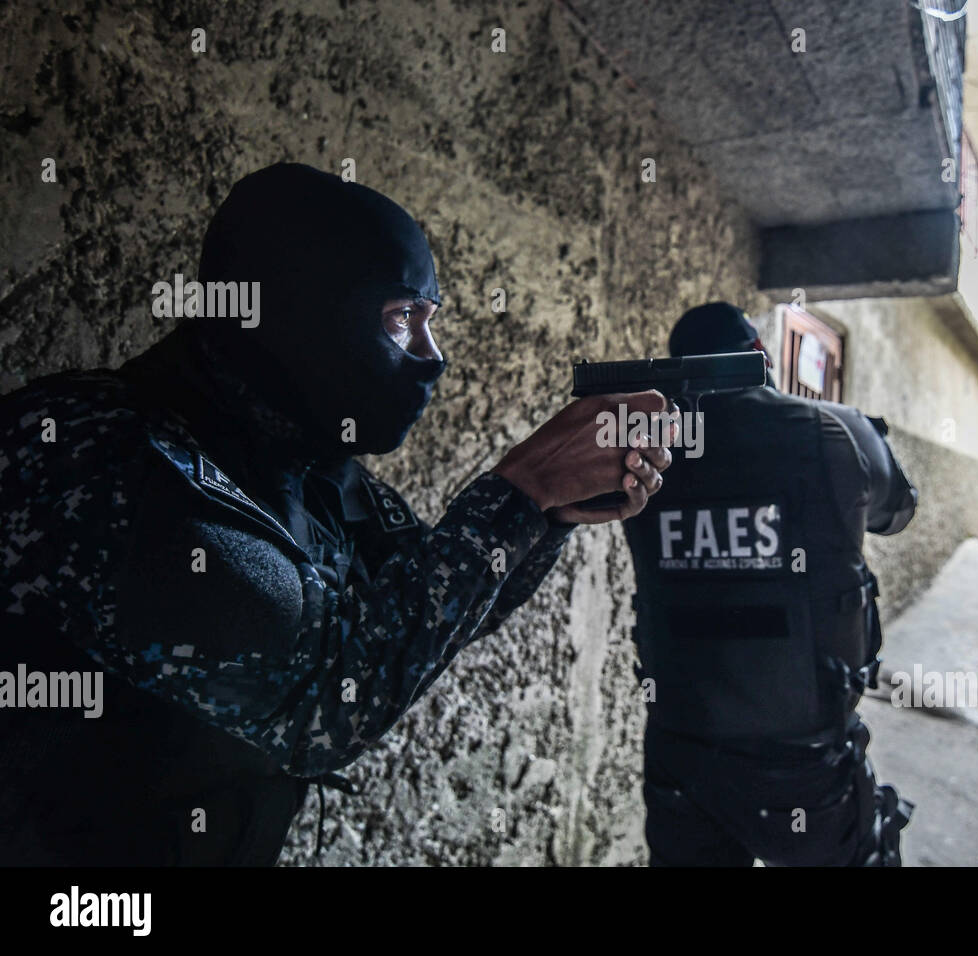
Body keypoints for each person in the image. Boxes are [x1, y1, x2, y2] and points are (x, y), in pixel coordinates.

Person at [0, 163, 672, 865]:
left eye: (428, 322)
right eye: (401, 319)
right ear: (301, 311)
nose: (432, 359)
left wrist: (549, 514)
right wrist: (525, 487)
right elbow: (325, 698)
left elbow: (419, 613)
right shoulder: (104, 457)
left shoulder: (303, 460)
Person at [621, 301, 918, 866]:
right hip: (801, 764)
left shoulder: (642, 449)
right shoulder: (834, 429)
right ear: (758, 354)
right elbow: (897, 512)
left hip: (681, 751)